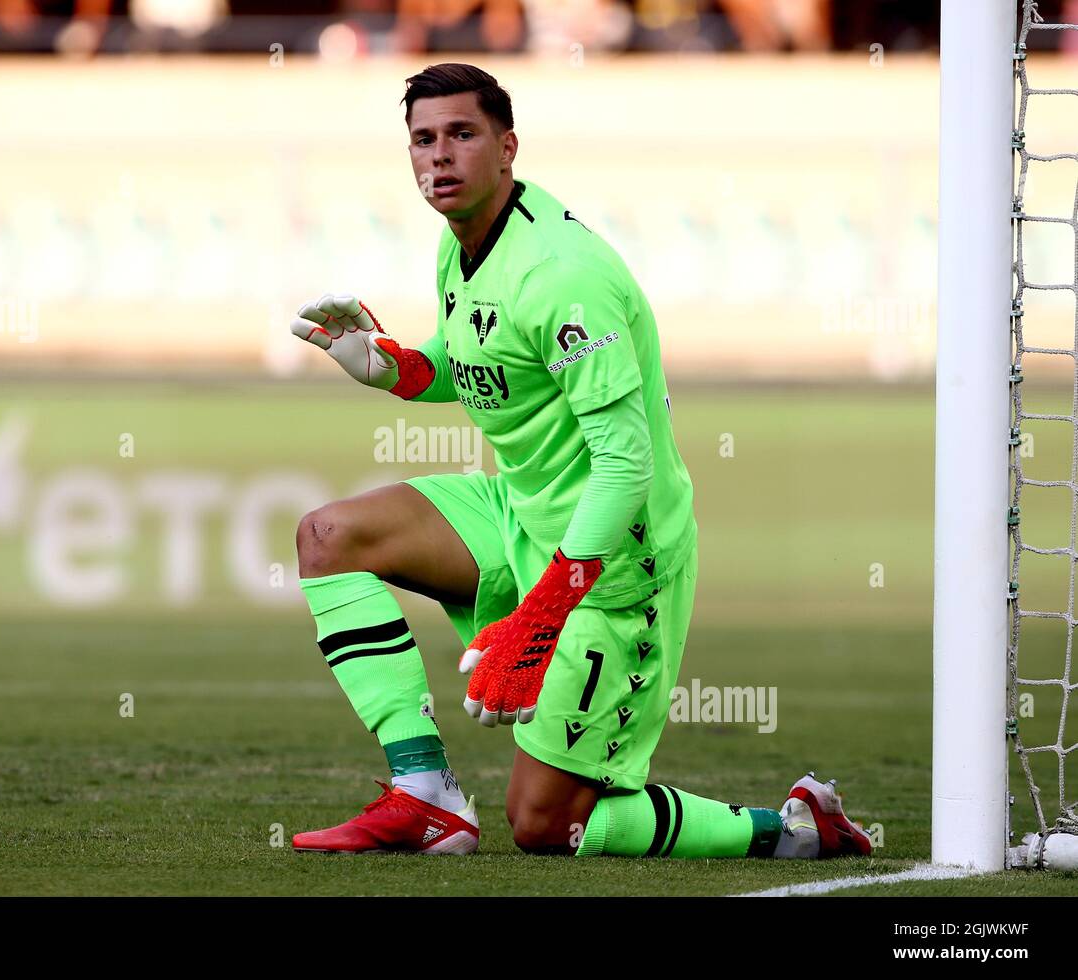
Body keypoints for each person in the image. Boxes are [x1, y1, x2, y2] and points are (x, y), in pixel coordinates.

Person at [287, 62, 872, 860]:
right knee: (329, 537)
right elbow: (486, 362)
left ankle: (792, 828)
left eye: (462, 134)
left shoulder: (565, 276)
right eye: (423, 139)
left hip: (617, 559)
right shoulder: (461, 246)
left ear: (508, 147)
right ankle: (425, 796)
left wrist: (539, 618)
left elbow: (626, 469)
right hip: (521, 513)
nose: (439, 156)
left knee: (548, 826)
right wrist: (395, 367)